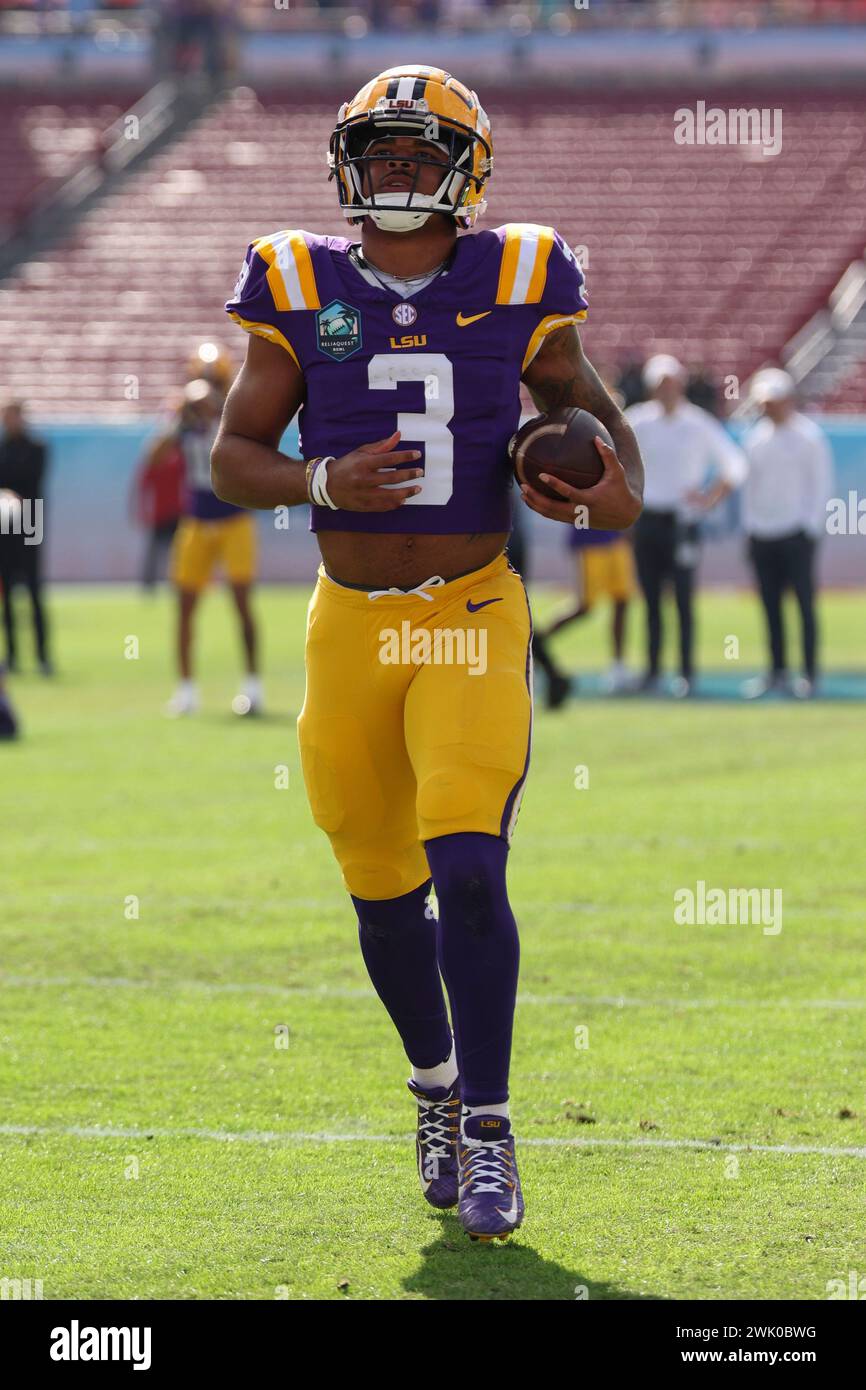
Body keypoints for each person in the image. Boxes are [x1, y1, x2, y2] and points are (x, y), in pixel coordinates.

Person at [212, 65, 643, 1243]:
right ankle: (434, 1090)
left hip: (466, 613)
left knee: (467, 866)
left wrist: (594, 482)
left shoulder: (520, 274)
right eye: (381, 151)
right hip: (349, 622)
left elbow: (613, 474)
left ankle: (495, 1129)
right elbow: (232, 455)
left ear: (466, 166)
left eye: (418, 153)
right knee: (379, 886)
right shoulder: (296, 278)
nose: (397, 171)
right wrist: (316, 477)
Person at [627, 354, 746, 697]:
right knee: (650, 600)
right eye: (661, 384)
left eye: (672, 383)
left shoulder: (698, 423)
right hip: (648, 520)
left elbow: (734, 465)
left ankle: (686, 673)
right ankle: (651, 671)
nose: (667, 390)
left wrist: (709, 497)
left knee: (682, 600)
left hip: (683, 522)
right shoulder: (637, 422)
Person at [167, 379, 262, 716]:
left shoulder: (230, 419)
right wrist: (177, 420)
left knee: (241, 601)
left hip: (234, 518)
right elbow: (154, 455)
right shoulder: (185, 428)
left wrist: (216, 408)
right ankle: (186, 689)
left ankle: (253, 686)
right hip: (197, 520)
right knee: (185, 605)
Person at [741, 368, 832, 700]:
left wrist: (809, 527)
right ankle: (776, 671)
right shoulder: (756, 439)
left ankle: (809, 673)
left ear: (788, 400)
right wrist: (751, 528)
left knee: (804, 605)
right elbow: (750, 490)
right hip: (763, 533)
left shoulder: (809, 437)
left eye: (774, 401)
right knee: (770, 607)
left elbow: (820, 484)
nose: (769, 408)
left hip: (795, 533)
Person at [537, 524, 636, 692]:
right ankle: (535, 647)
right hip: (591, 539)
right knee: (584, 607)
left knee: (622, 600)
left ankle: (618, 666)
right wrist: (582, 523)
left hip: (617, 537)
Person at [0, 401, 51, 675]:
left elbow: (32, 478)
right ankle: (12, 657)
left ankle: (43, 656)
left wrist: (9, 491)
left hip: (31, 519)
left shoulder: (37, 447)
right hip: (6, 524)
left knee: (33, 589)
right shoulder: (2, 448)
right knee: (7, 591)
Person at [132, 425, 186, 591]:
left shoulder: (178, 460)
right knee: (155, 552)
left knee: (178, 551)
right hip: (161, 513)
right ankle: (149, 584)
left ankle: (178, 581)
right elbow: (142, 488)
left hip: (177, 511)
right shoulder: (155, 463)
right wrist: (142, 510)